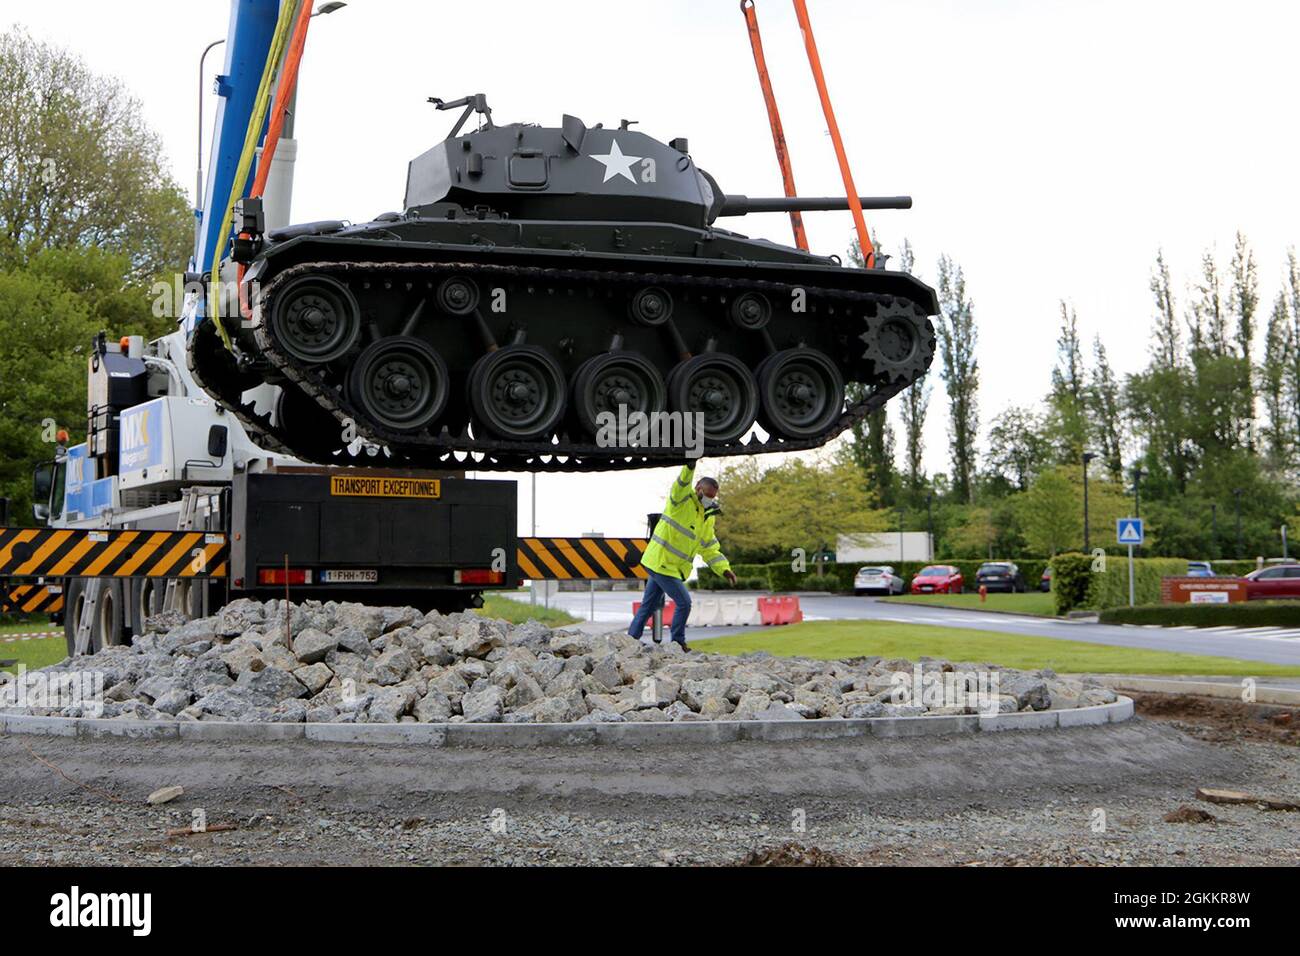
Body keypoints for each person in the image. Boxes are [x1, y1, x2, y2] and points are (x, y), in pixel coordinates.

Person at [628, 461, 736, 651]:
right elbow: (681, 484)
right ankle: (678, 642)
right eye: (707, 495)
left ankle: (630, 641)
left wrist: (724, 570)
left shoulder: (707, 517)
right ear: (698, 489)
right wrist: (689, 467)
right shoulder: (680, 501)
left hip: (667, 566)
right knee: (684, 602)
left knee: (649, 605)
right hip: (661, 563)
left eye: (712, 497)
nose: (709, 499)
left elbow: (709, 548)